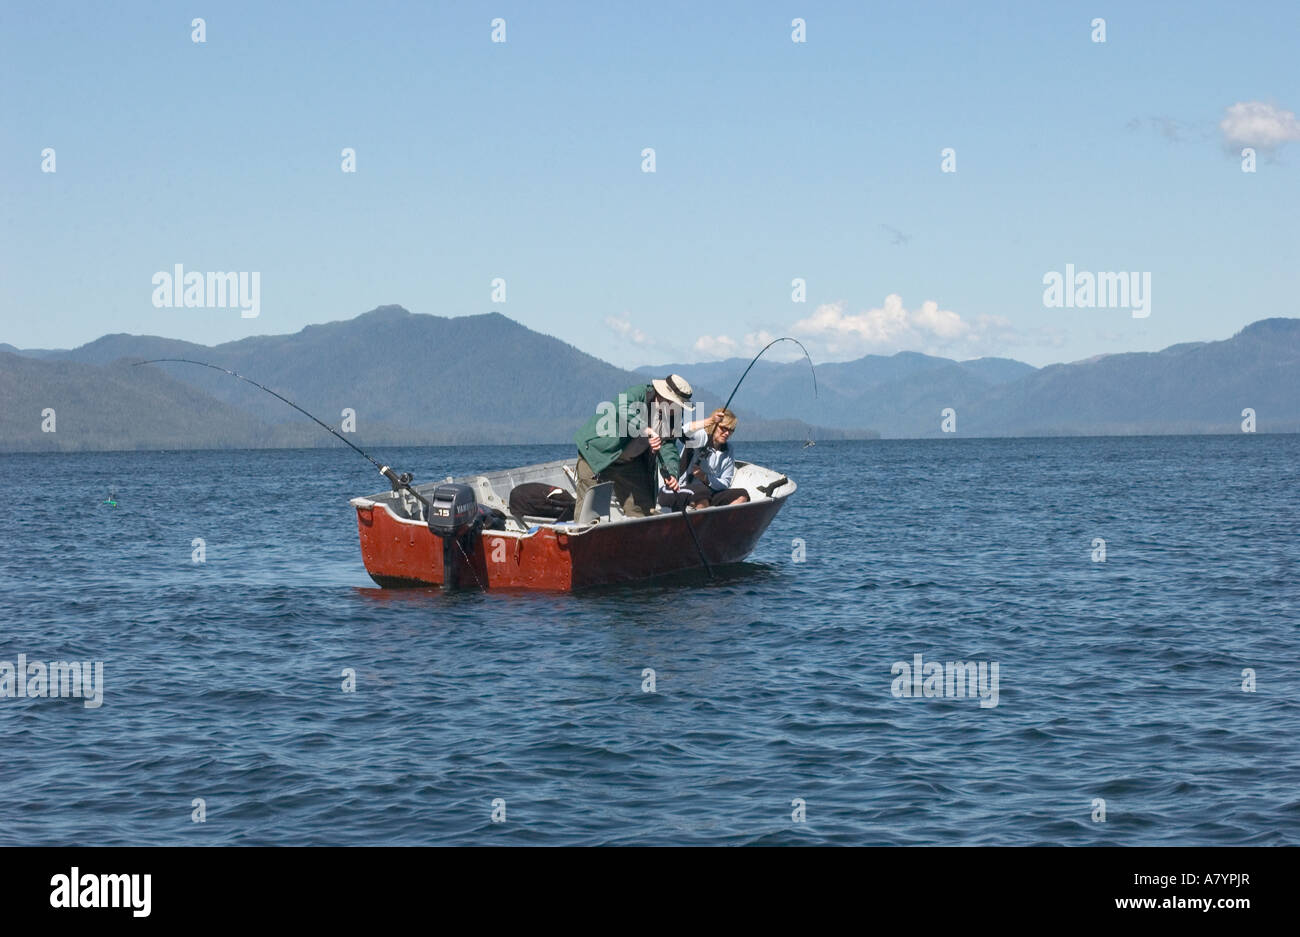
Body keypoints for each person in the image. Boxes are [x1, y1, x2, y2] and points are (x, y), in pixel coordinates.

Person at [573, 374, 694, 518]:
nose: (678, 409)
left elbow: (668, 447)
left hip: (630, 463)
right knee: (589, 511)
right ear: (665, 397)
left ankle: (638, 538)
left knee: (642, 510)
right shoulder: (638, 393)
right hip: (597, 454)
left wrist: (672, 473)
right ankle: (583, 537)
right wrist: (645, 430)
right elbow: (621, 409)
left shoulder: (672, 417)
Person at [657, 408, 750, 512]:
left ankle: (722, 522)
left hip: (709, 491)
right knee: (702, 494)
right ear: (714, 425)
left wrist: (706, 478)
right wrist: (710, 420)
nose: (727, 433)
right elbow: (684, 431)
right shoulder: (701, 438)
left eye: (731, 430)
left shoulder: (728, 450)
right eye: (723, 428)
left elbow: (726, 482)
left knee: (742, 495)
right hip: (680, 489)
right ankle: (700, 523)